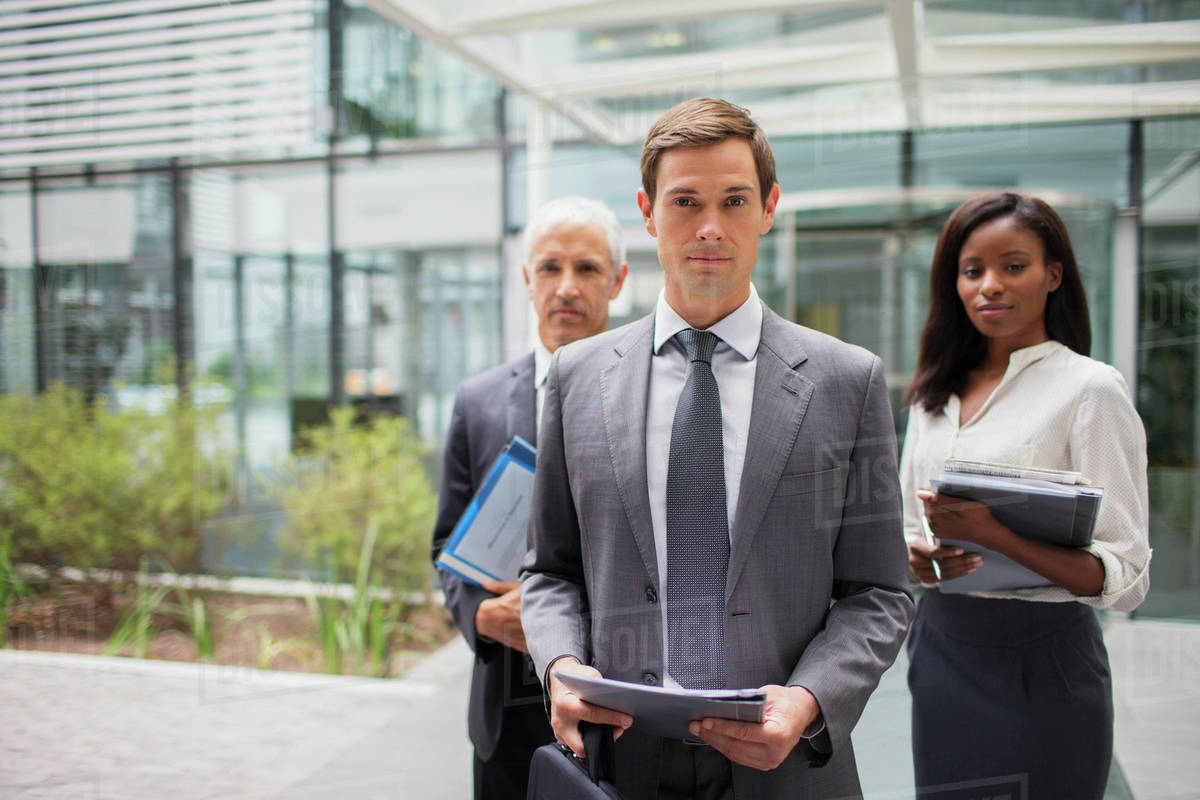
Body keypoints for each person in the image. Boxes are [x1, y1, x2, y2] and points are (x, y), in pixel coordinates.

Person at [520, 97, 914, 799]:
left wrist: (808, 701)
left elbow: (878, 592)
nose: (709, 227)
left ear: (769, 207)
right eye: (684, 202)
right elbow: (550, 570)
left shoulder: (848, 381)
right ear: (647, 211)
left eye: (734, 200)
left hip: (785, 765)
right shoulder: (577, 377)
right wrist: (559, 665)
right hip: (621, 758)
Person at [900, 191, 1152, 799]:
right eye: (972, 271)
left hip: (1046, 660)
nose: (990, 285)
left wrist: (997, 535)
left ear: (1053, 275)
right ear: (953, 285)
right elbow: (913, 525)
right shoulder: (932, 398)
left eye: (1013, 266)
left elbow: (1126, 578)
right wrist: (918, 557)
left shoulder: (1091, 391)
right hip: (942, 650)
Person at [431, 195, 629, 800]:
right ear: (526, 279)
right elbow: (446, 543)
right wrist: (479, 614)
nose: (566, 286)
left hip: (613, 700)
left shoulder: (651, 401)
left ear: (618, 280)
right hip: (505, 707)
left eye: (587, 268)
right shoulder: (478, 401)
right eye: (550, 268)